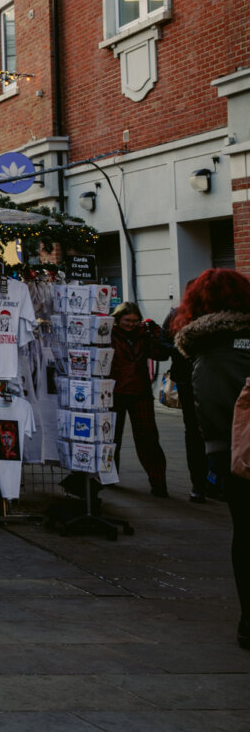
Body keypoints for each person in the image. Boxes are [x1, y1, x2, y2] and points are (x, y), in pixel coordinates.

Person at [171, 268, 250, 650]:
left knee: (246, 534)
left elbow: (212, 409)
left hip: (240, 458)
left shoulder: (208, 349)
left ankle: (249, 621)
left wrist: (216, 460)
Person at [110, 302, 172, 497]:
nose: (131, 324)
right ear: (118, 319)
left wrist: (155, 331)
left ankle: (158, 482)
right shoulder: (108, 334)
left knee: (148, 440)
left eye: (135, 321)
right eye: (127, 320)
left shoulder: (144, 335)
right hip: (113, 391)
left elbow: (161, 354)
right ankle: (109, 477)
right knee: (111, 439)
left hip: (139, 391)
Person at [164, 306, 211, 503]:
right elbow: (162, 344)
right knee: (195, 431)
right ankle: (200, 484)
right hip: (188, 379)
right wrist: (178, 350)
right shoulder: (178, 315)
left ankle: (205, 484)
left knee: (197, 432)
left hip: (202, 379)